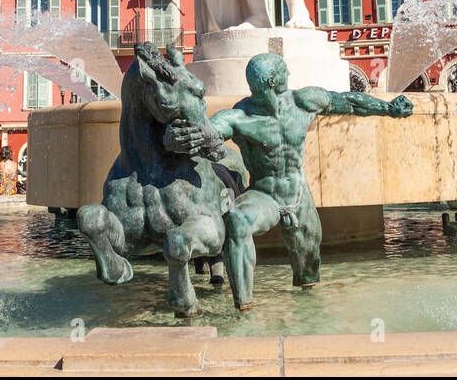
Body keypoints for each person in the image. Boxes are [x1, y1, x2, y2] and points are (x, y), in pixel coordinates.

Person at [168, 52, 413, 310]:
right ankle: (244, 307)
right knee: (238, 220)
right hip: (263, 195)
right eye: (285, 70)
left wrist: (389, 108)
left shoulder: (303, 101)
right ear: (273, 81)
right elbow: (210, 131)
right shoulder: (241, 116)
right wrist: (182, 137)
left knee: (309, 269)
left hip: (299, 196)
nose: (289, 74)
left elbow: (348, 102)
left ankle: (309, 311)